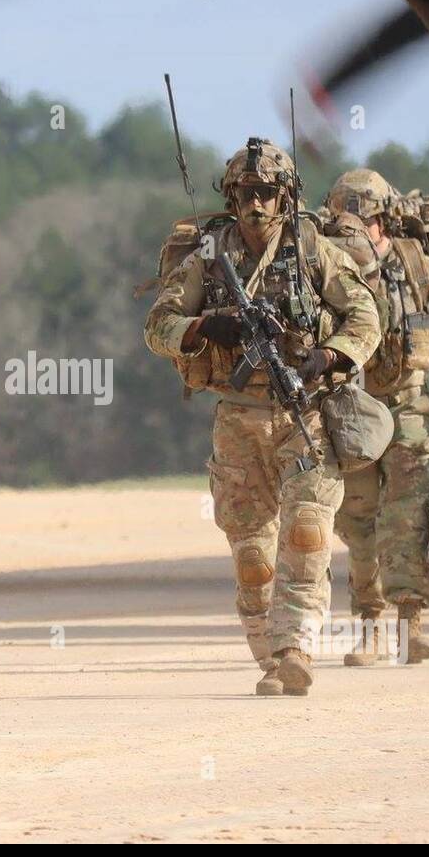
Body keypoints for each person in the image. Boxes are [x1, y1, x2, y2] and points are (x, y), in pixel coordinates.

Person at [145, 138, 380, 696]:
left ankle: (295, 647)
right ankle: (269, 655)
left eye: (268, 194)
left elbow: (365, 314)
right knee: (253, 555)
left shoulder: (313, 251)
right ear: (230, 197)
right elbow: (157, 327)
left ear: (286, 196)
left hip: (305, 413)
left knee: (306, 530)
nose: (256, 205)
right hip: (239, 421)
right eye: (245, 194)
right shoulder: (209, 256)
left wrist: (331, 355)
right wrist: (204, 329)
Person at [323, 169, 429, 665]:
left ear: (383, 221)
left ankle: (410, 621)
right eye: (345, 220)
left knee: (408, 517)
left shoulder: (417, 267)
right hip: (349, 409)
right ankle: (370, 626)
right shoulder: (324, 270)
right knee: (358, 524)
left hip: (408, 406)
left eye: (365, 219)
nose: (356, 229)